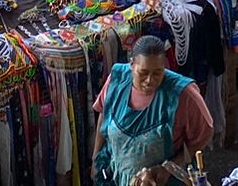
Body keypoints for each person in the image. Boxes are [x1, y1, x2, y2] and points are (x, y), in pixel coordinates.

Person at [90, 35, 212, 186]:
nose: (149, 80)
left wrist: (170, 167)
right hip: (114, 176)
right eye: (143, 73)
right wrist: (96, 159)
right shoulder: (116, 80)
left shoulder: (183, 94)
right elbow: (104, 113)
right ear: (132, 64)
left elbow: (203, 135)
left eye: (157, 73)